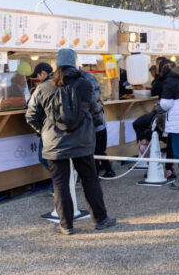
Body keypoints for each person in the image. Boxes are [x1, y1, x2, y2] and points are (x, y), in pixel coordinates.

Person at [25, 48, 115, 235]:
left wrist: (44, 131)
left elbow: (31, 115)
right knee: (90, 180)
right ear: (74, 63)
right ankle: (100, 219)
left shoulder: (43, 87)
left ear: (56, 64)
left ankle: (66, 225)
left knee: (60, 184)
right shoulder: (85, 83)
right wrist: (92, 130)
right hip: (82, 141)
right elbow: (96, 110)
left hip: (54, 143)